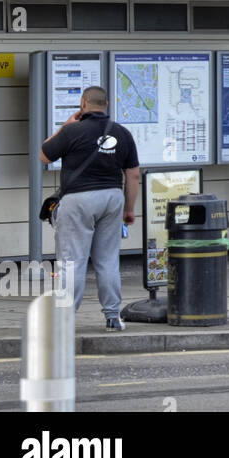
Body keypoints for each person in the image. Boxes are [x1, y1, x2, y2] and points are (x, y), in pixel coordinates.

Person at [38, 86, 140, 331]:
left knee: (72, 261)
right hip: (112, 198)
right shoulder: (122, 133)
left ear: (83, 103)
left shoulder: (73, 131)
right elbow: (134, 175)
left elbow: (44, 155)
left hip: (78, 200)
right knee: (107, 261)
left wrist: (64, 126)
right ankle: (113, 317)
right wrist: (129, 208)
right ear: (106, 104)